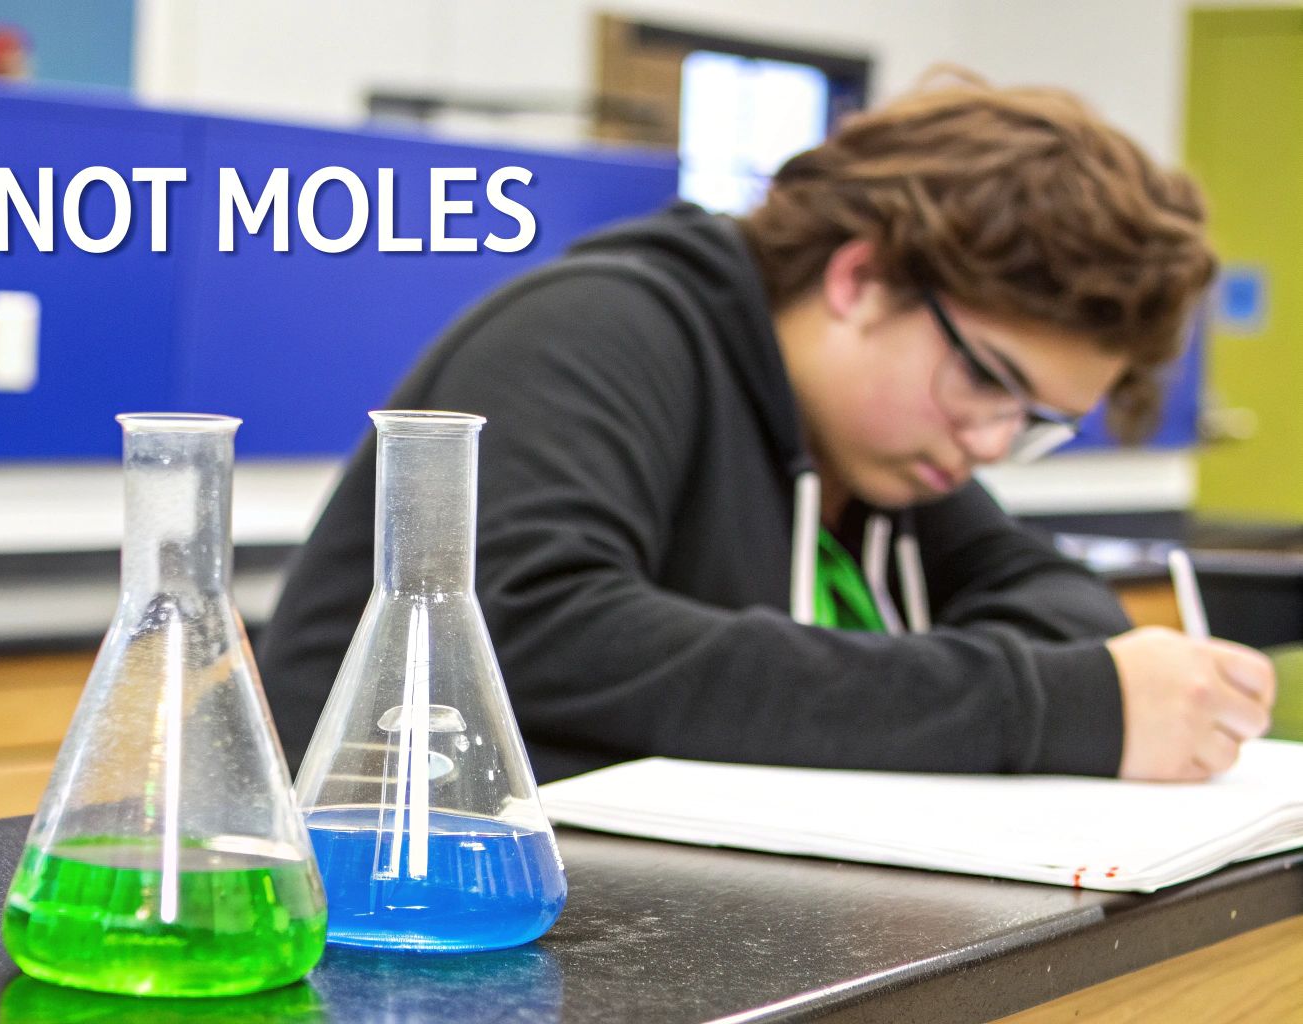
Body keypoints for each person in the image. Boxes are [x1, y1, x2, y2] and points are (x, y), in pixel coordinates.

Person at [259, 73, 1277, 785]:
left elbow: (1059, 608)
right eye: (986, 380)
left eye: (1033, 421)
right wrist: (1046, 707)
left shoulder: (884, 461)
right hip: (405, 932)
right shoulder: (601, 331)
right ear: (859, 277)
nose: (987, 442)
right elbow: (528, 632)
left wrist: (1070, 690)